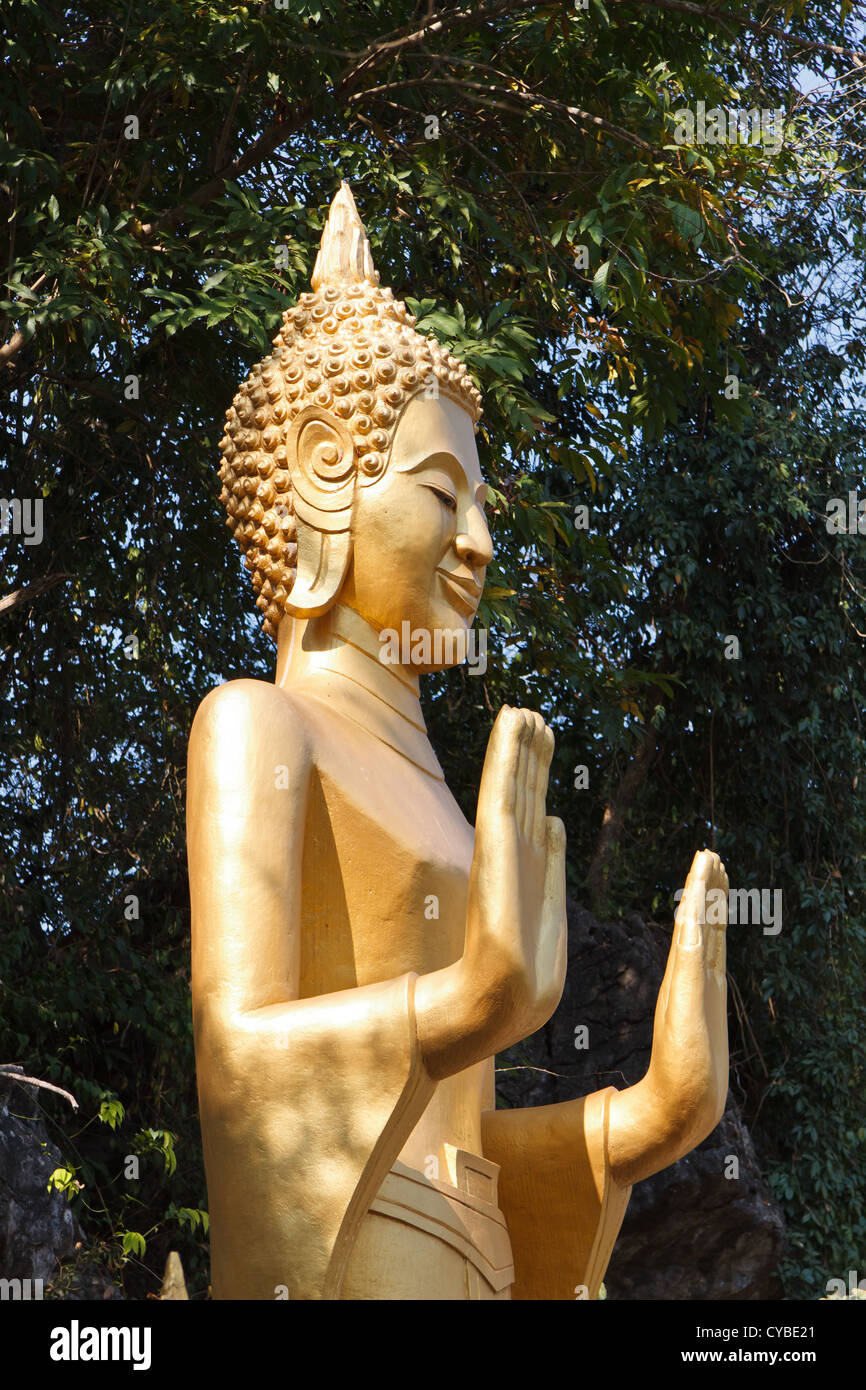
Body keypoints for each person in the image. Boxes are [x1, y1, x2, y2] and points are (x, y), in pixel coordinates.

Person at [186, 182, 729, 1300]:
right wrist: (466, 998)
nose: (478, 542)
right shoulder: (259, 724)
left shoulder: (448, 800)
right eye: (443, 495)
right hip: (357, 1257)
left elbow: (461, 1137)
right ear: (324, 471)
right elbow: (238, 1061)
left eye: (481, 505)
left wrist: (642, 1119)